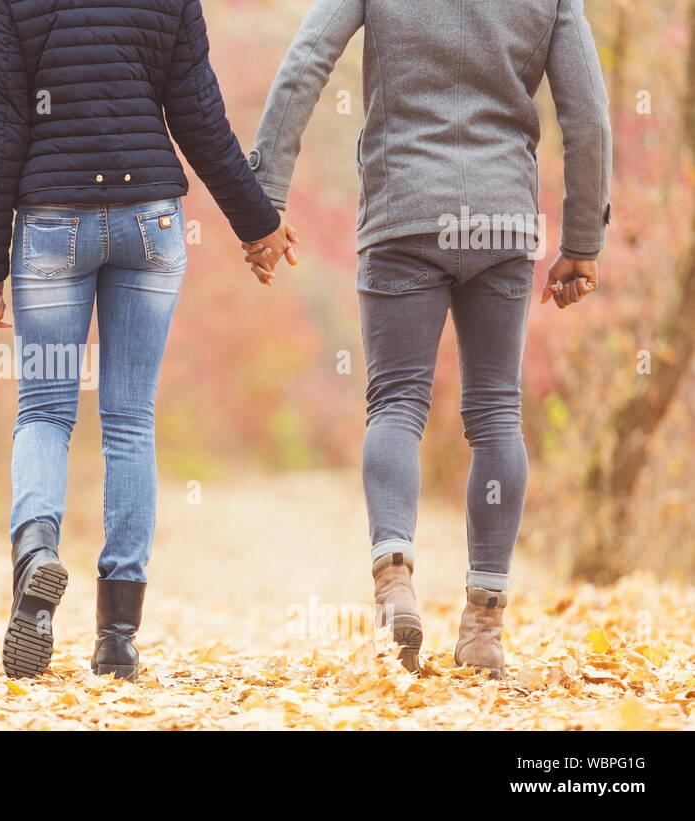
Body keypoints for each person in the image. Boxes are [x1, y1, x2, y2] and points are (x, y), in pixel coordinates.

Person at [246, 0, 612, 677]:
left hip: (402, 211)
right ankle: (483, 624)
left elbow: (305, 63)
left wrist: (263, 190)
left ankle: (394, 573)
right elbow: (586, 112)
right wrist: (584, 239)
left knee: (396, 405)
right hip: (501, 218)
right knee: (497, 413)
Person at [0, 0, 298, 680]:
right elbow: (198, 115)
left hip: (52, 224)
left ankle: (36, 557)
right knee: (128, 419)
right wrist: (256, 222)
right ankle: (117, 638)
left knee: (45, 412)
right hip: (151, 222)